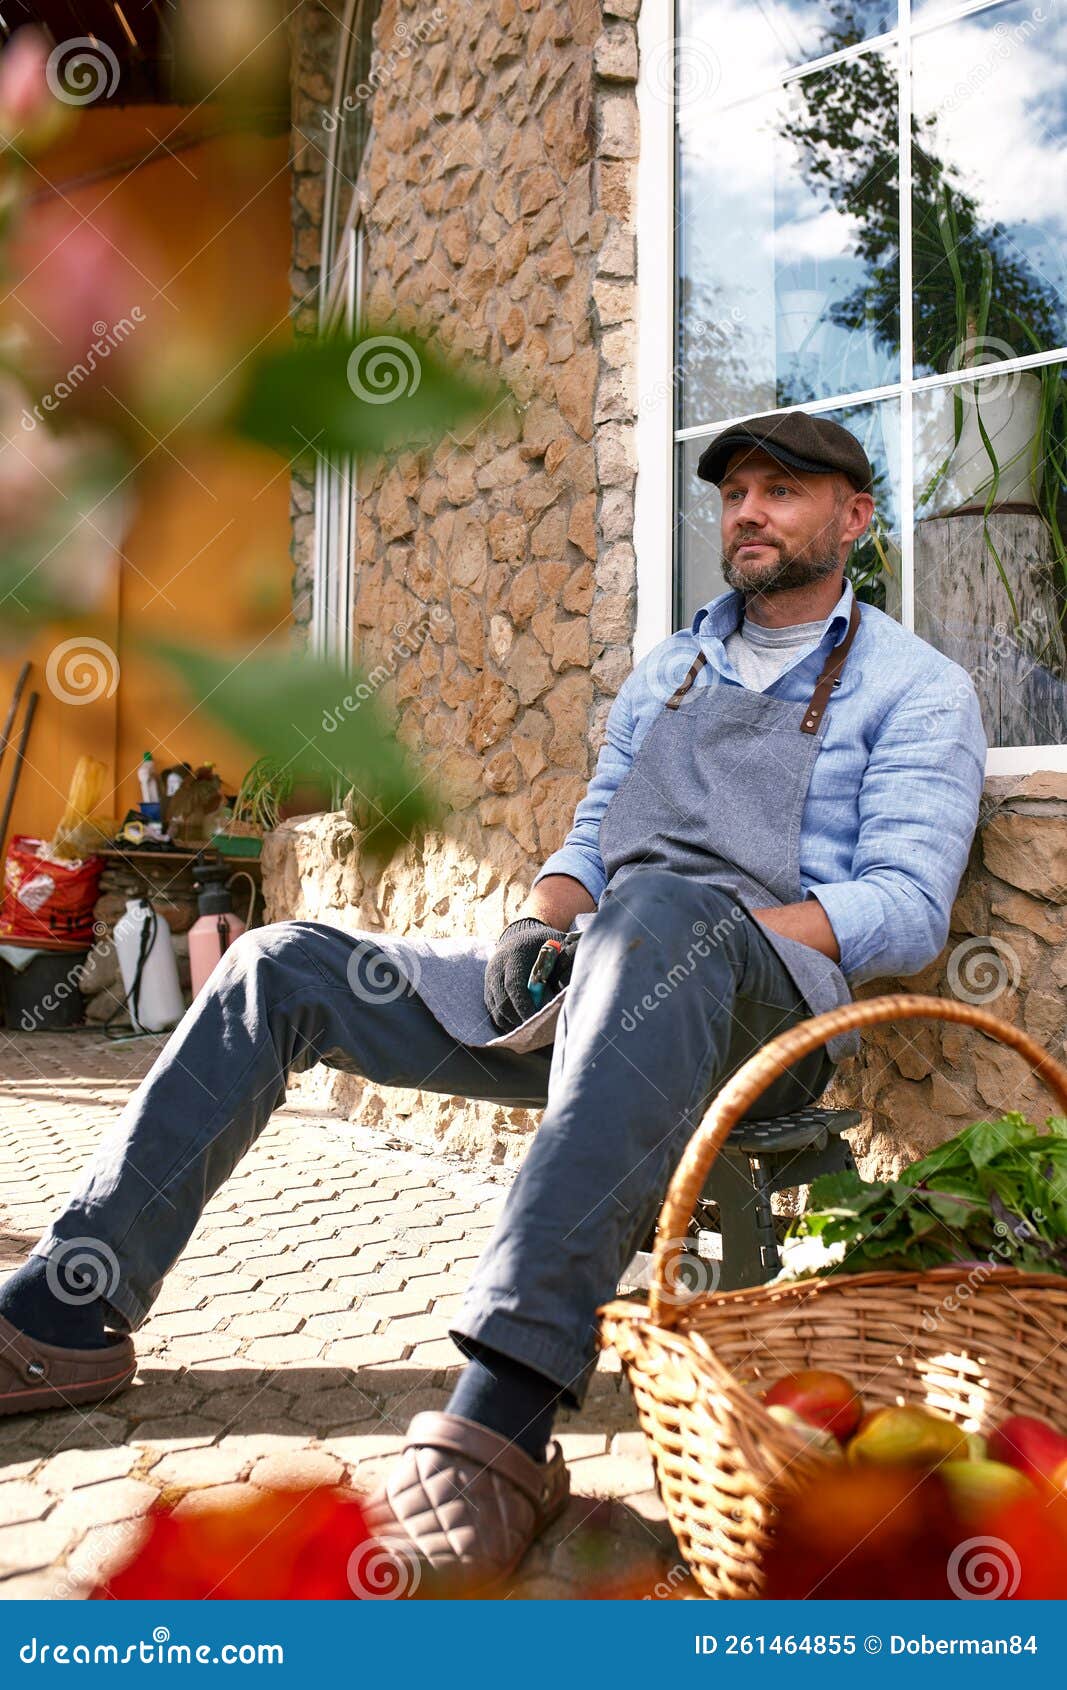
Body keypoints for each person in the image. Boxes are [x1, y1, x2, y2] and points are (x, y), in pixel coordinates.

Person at [0, 411, 986, 1595]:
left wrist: (677, 933)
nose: (747, 512)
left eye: (780, 491)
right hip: (589, 990)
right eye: (733, 493)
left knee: (659, 912)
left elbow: (901, 905)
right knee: (278, 965)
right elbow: (588, 842)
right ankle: (66, 1315)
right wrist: (543, 920)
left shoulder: (918, 689)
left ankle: (503, 1415)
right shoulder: (668, 671)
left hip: (760, 1022)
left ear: (853, 517)